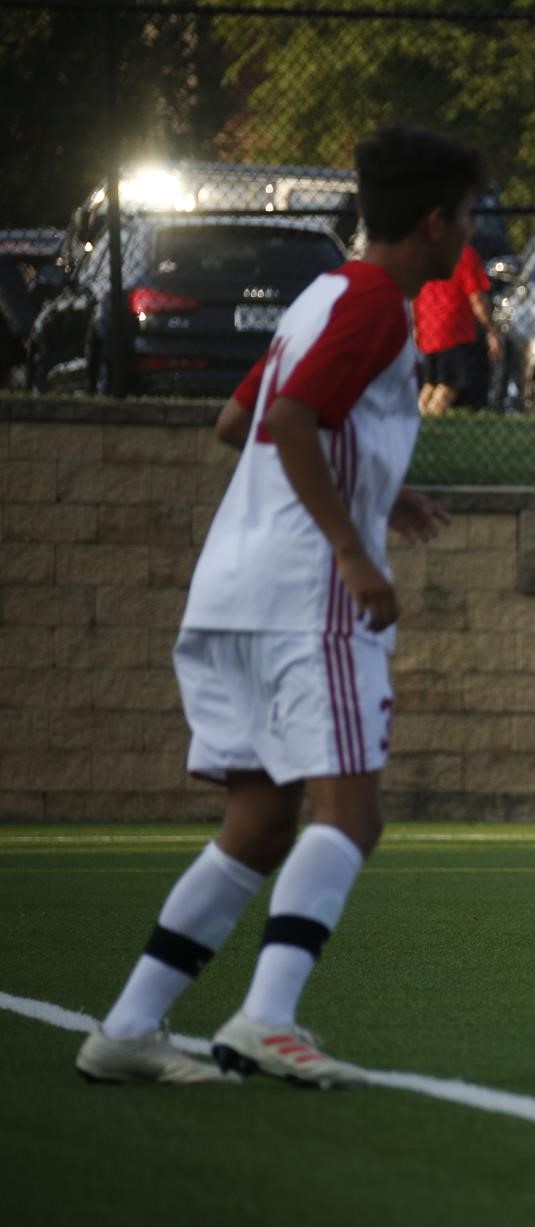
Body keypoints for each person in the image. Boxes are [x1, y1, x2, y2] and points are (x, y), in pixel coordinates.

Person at [74, 126, 483, 1086]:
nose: (470, 235)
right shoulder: (381, 306)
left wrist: (381, 494)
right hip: (308, 599)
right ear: (435, 224)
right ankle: (267, 1015)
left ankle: (127, 1028)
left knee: (260, 823)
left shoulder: (320, 295)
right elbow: (293, 419)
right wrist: (352, 543)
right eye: (467, 217)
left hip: (232, 592)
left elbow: (240, 420)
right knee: (353, 813)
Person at [414, 240, 500, 413]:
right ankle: (431, 423)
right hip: (453, 330)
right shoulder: (464, 254)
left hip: (427, 328)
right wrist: (491, 330)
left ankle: (419, 419)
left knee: (431, 383)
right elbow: (477, 297)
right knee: (449, 384)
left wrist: (416, 326)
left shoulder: (427, 252)